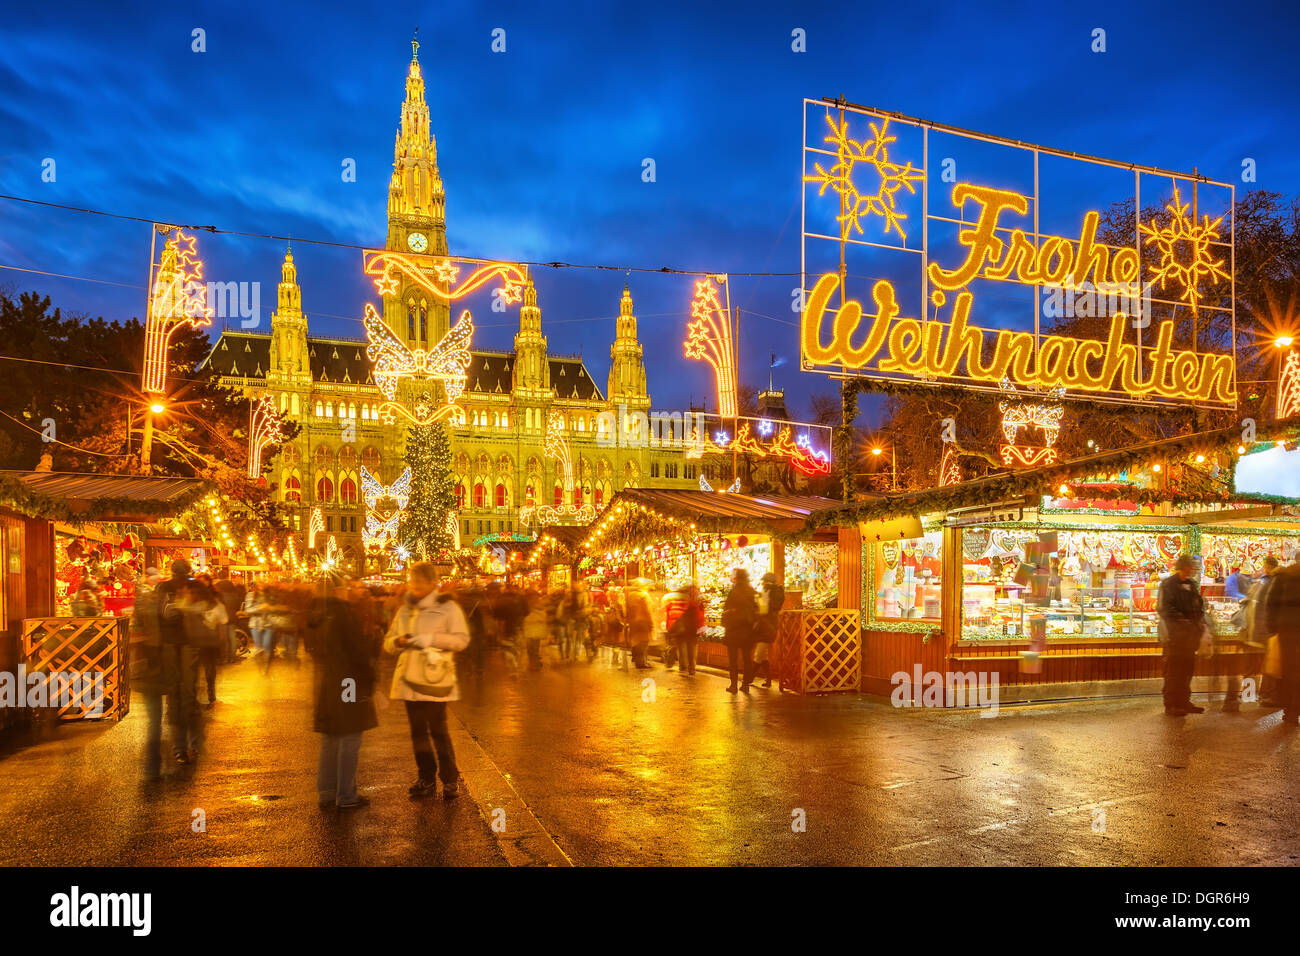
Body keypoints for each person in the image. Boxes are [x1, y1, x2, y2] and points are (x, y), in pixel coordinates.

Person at [384, 562, 469, 799]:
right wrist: (398, 642)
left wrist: (430, 639)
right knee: (418, 732)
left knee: (439, 730)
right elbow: (388, 642)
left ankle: (450, 779)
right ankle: (426, 777)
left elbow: (461, 640)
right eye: (412, 582)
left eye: (420, 582)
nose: (415, 587)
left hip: (434, 679)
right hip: (409, 679)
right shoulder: (405, 610)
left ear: (433, 583)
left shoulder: (448, 608)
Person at [308, 587, 379, 809]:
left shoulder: (318, 613)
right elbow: (357, 652)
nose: (355, 590)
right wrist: (369, 679)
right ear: (339, 589)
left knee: (330, 737)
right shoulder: (343, 615)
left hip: (328, 681)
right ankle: (346, 794)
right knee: (349, 735)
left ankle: (327, 791)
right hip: (348, 681)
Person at [154, 559, 202, 762]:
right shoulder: (193, 587)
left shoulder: (163, 588)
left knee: (176, 696)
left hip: (171, 645)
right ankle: (191, 744)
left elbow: (157, 615)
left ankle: (181, 747)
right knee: (188, 693)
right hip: (187, 644)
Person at [131, 568, 169, 779]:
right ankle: (156, 761)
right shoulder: (162, 613)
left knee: (154, 719)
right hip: (158, 668)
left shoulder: (141, 611)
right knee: (157, 718)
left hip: (144, 668)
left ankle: (152, 764)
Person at [1157, 555, 1206, 716]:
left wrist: (1198, 621)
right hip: (1174, 637)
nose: (1191, 570)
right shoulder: (1168, 584)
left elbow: (1198, 604)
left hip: (1189, 638)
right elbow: (1164, 608)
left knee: (1187, 671)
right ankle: (1172, 704)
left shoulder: (1191, 584)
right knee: (1173, 672)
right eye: (1189, 567)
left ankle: (1184, 701)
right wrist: (1182, 621)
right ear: (1183, 567)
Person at [1264, 559, 1300, 727]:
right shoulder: (1282, 577)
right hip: (1290, 629)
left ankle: (1289, 708)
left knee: (1288, 669)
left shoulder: (1282, 576)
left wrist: (1273, 628)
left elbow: (1270, 603)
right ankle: (1293, 708)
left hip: (1286, 630)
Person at [181, 578, 228, 707]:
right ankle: (204, 695)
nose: (189, 595)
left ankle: (206, 696)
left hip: (205, 643)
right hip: (200, 643)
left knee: (204, 671)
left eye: (191, 593)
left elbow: (222, 627)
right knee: (203, 671)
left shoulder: (196, 606)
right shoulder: (194, 605)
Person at [723, 568, 758, 693]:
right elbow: (757, 609)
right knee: (747, 659)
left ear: (737, 578)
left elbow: (727, 608)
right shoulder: (751, 591)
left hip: (733, 630)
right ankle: (745, 684)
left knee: (733, 660)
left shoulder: (734, 591)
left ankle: (733, 685)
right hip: (748, 630)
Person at [664, 585, 705, 676]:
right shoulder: (697, 601)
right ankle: (691, 668)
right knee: (692, 649)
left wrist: (670, 626)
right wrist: (701, 626)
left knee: (682, 647)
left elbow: (671, 613)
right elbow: (700, 614)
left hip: (682, 628)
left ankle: (683, 666)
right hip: (692, 628)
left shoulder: (678, 600)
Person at [754, 572, 785, 688]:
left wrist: (761, 601)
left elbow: (768, 608)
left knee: (759, 654)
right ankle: (768, 680)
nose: (762, 583)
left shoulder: (771, 592)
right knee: (764, 655)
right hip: (765, 625)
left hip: (768, 626)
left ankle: (748, 679)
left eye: (764, 581)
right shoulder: (768, 592)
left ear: (767, 582)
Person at [626, 582, 654, 669]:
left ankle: (638, 661)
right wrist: (651, 622)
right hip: (643, 621)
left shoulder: (630, 595)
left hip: (633, 622)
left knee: (637, 642)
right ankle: (642, 662)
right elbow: (647, 610)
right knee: (644, 642)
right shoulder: (643, 595)